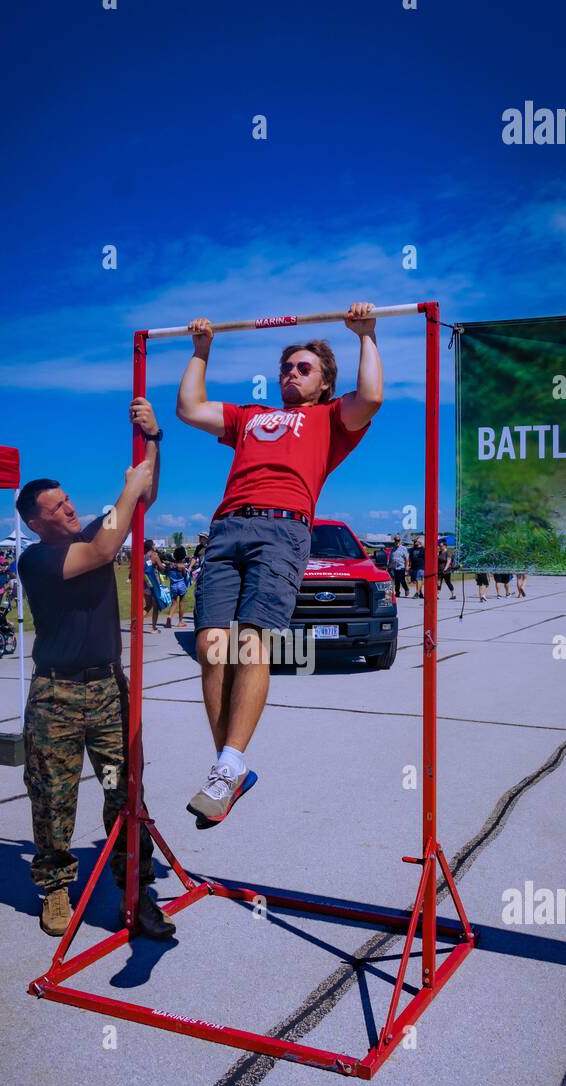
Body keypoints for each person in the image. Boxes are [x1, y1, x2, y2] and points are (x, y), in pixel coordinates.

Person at [177, 302, 381, 826]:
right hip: (227, 526)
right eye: (287, 367)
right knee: (210, 646)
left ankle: (227, 766)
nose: (291, 374)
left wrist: (366, 336)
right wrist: (201, 351)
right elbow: (188, 408)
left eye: (303, 368)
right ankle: (230, 765)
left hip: (283, 526)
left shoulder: (330, 420)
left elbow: (373, 396)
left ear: (323, 383)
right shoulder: (250, 416)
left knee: (252, 642)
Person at [16, 396, 172, 940]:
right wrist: (127, 489)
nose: (68, 509)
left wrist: (153, 437)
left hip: (107, 691)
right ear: (35, 521)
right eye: (56, 508)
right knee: (54, 796)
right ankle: (56, 888)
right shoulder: (35, 558)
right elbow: (106, 552)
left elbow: (145, 493)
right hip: (56, 698)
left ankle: (137, 889)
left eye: (68, 501)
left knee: (124, 791)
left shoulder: (90, 532)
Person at [167, 545, 191, 628]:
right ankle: (180, 621)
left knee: (173, 603)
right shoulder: (182, 566)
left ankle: (169, 618)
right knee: (181, 603)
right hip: (181, 586)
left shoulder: (171, 565)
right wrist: (184, 570)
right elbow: (184, 575)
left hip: (173, 586)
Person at [389, 534, 409, 598]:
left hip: (401, 567)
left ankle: (406, 589)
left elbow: (406, 559)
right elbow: (391, 558)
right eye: (395, 540)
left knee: (402, 580)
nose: (396, 542)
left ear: (400, 541)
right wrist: (388, 566)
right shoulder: (393, 549)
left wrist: (406, 566)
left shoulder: (403, 548)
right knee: (396, 581)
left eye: (398, 540)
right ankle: (397, 593)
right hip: (394, 567)